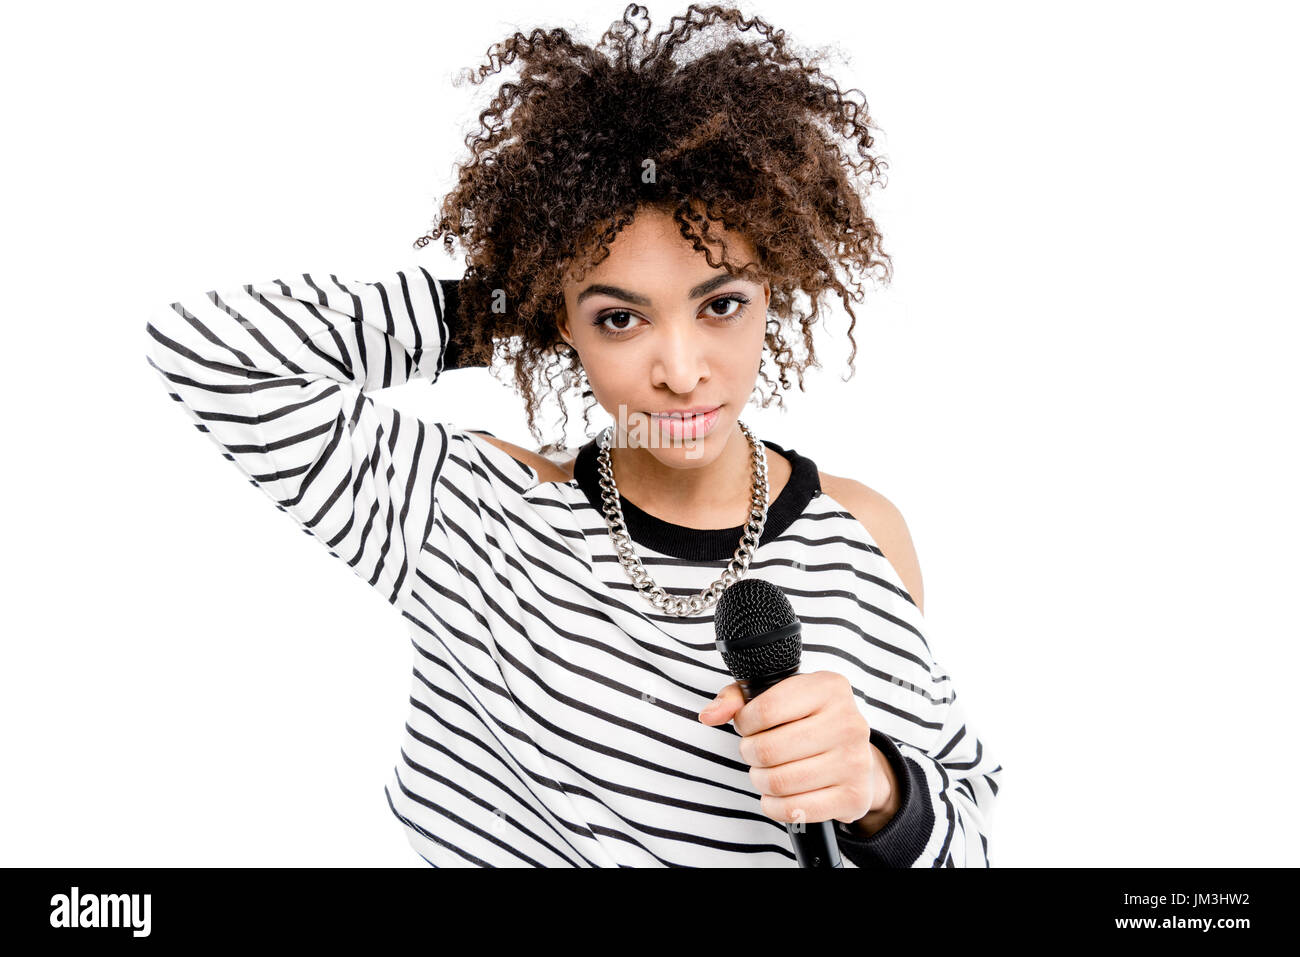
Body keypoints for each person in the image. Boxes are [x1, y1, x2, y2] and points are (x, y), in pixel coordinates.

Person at [143, 2, 1002, 867]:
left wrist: (883, 796)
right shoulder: (477, 519)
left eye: (721, 304)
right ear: (567, 325)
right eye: (622, 317)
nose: (680, 368)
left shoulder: (862, 536)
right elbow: (210, 351)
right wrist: (504, 305)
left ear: (774, 290)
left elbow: (971, 835)